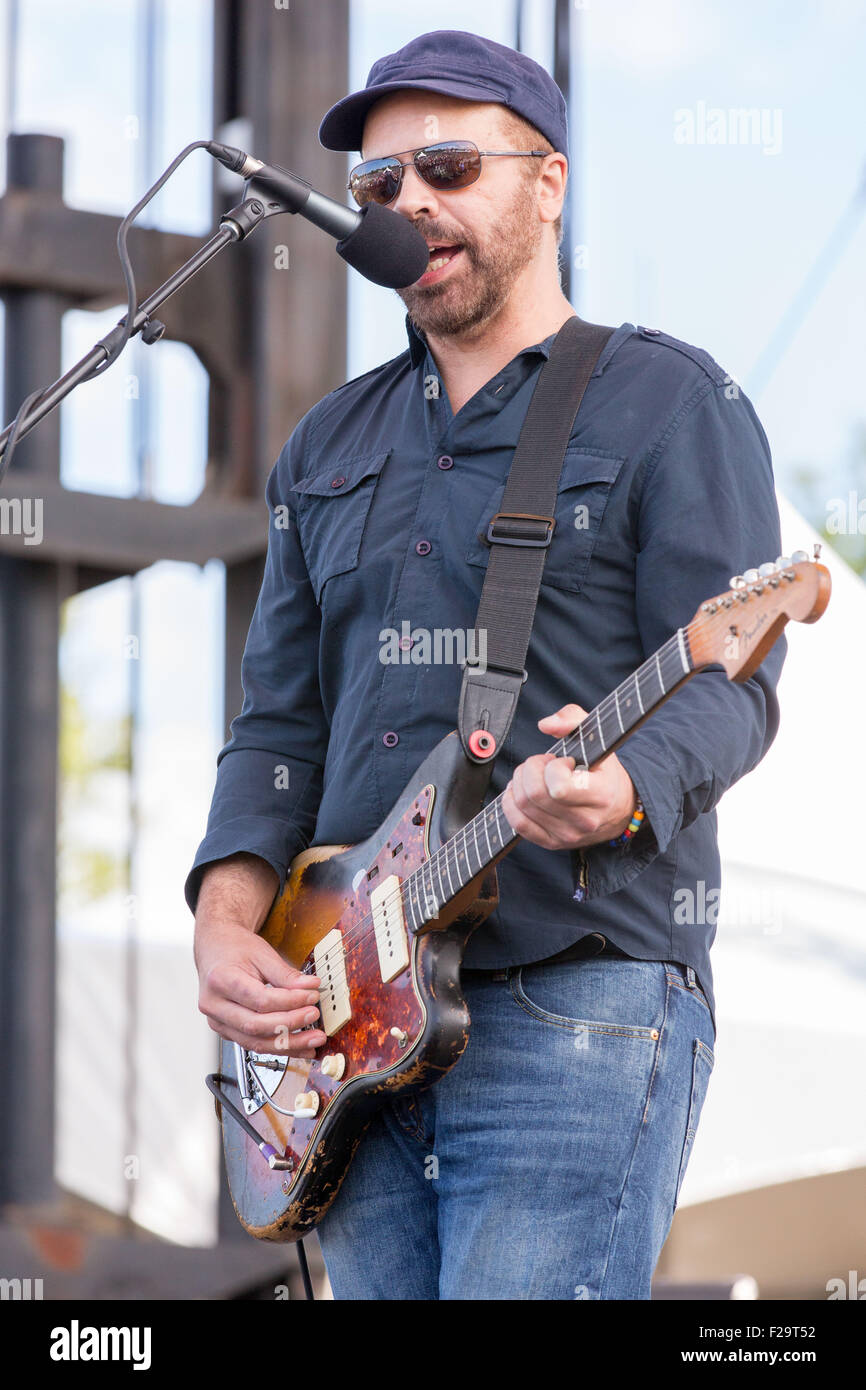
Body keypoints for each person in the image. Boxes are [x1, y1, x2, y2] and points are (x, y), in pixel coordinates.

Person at [187, 30, 786, 1299]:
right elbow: (274, 727)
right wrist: (225, 923)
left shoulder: (670, 403)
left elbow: (728, 692)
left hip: (572, 1004)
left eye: (447, 167)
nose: (408, 202)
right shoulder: (324, 443)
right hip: (345, 1034)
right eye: (377, 185)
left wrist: (619, 792)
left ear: (547, 182)